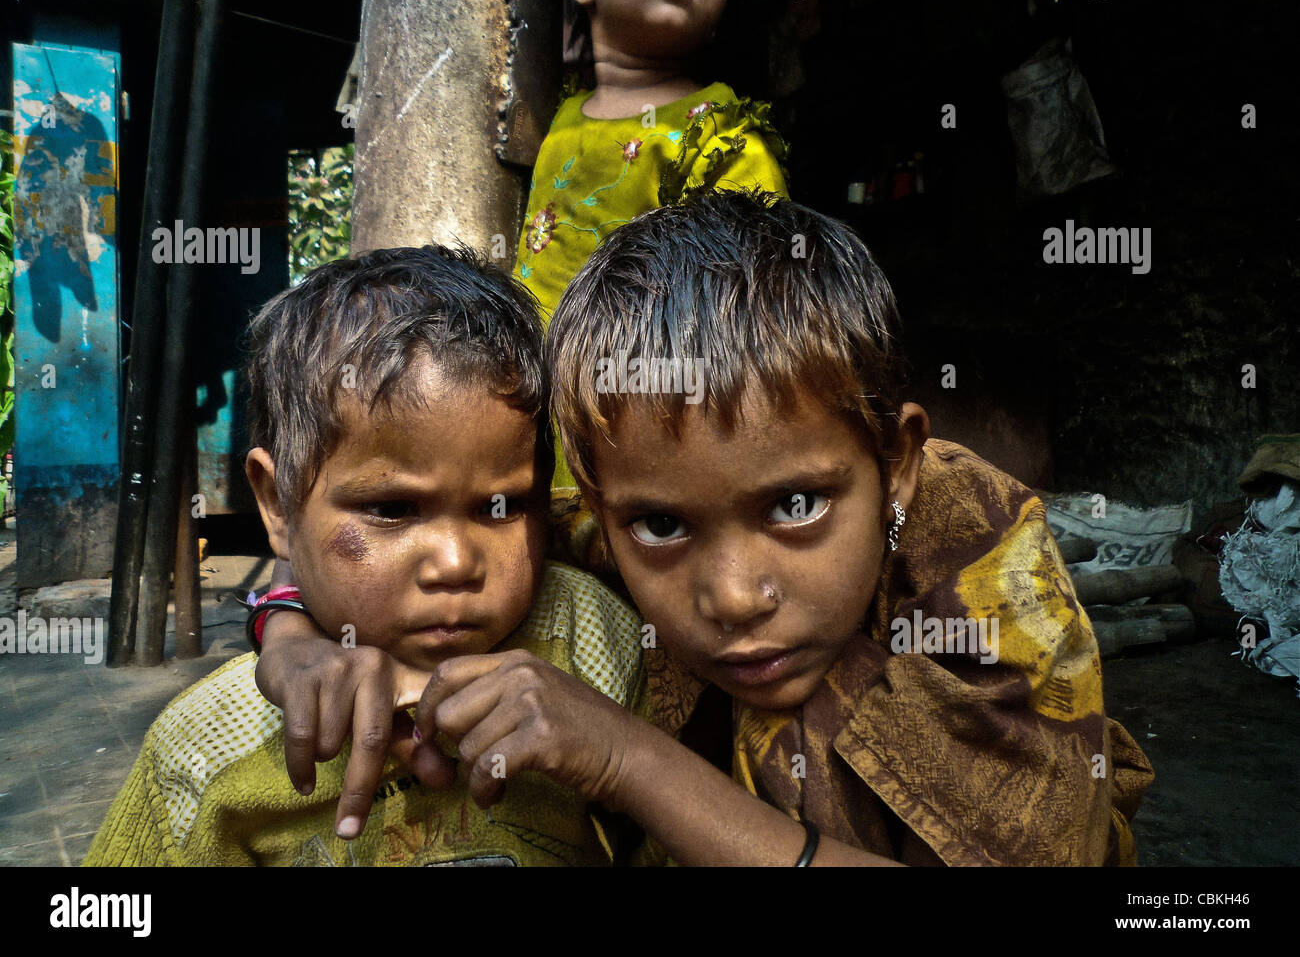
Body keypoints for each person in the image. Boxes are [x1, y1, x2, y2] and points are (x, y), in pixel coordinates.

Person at [405, 190, 1155, 866]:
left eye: (796, 506)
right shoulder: (603, 524)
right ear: (605, 507)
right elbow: (469, 544)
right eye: (663, 524)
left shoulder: (982, 552)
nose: (734, 597)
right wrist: (293, 627)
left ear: (895, 463)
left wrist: (624, 757)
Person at [82, 247, 645, 866]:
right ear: (276, 505)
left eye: (502, 507)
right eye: (393, 510)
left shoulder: (593, 642)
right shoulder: (210, 748)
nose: (456, 563)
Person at [515, 0, 789, 488]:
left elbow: (754, 310)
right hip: (536, 419)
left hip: (652, 425)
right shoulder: (559, 119)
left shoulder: (719, 132)